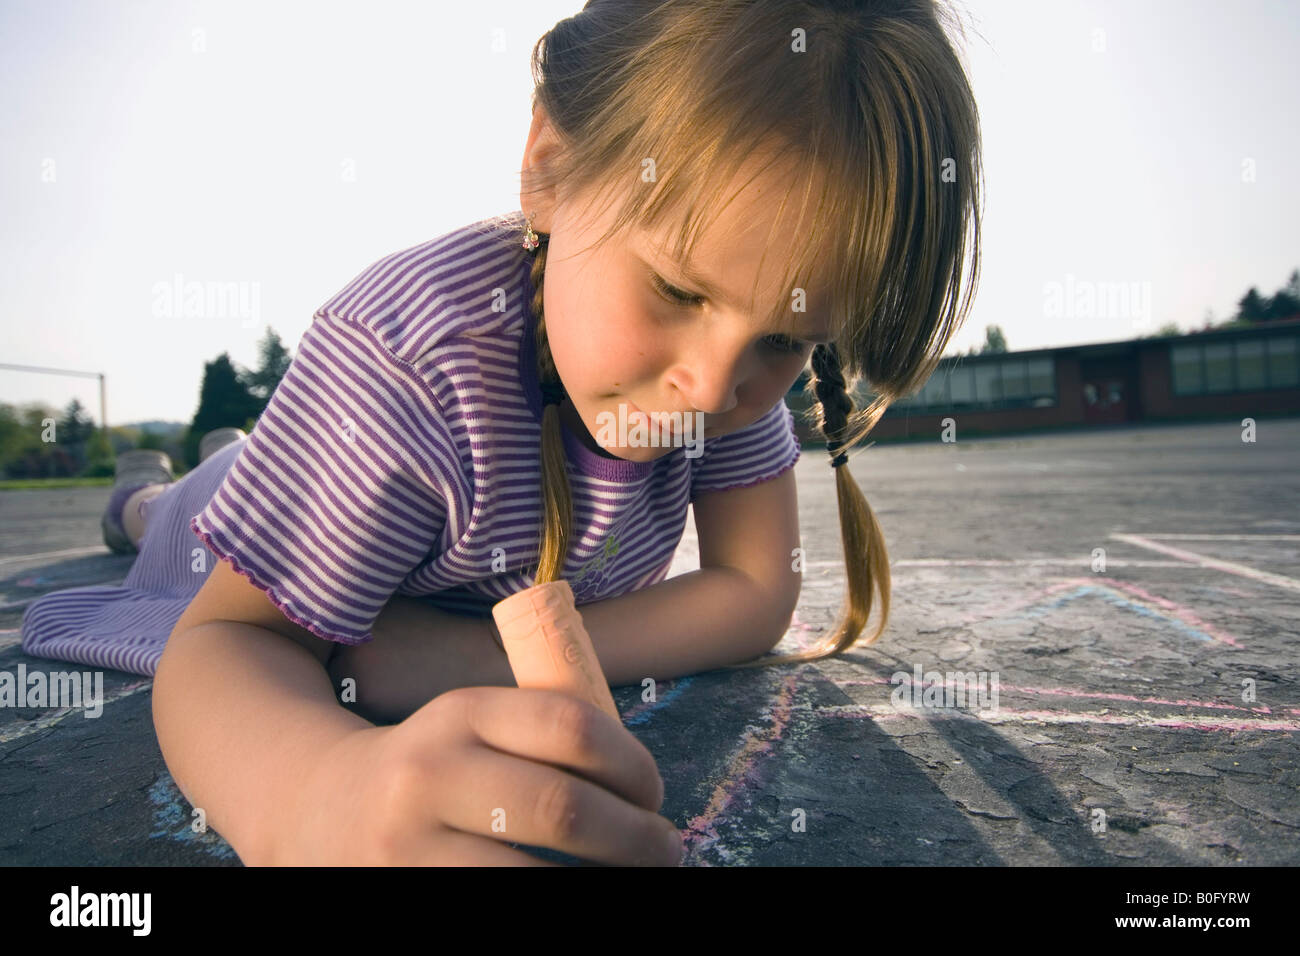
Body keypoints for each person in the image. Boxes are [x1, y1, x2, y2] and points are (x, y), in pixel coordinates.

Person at [22, 0, 984, 865]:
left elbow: (755, 588)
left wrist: (472, 657)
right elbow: (230, 641)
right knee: (185, 513)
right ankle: (148, 495)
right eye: (676, 290)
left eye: (783, 338)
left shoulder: (721, 375)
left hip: (379, 529)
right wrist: (313, 797)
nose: (710, 385)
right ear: (552, 169)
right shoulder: (404, 361)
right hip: (233, 519)